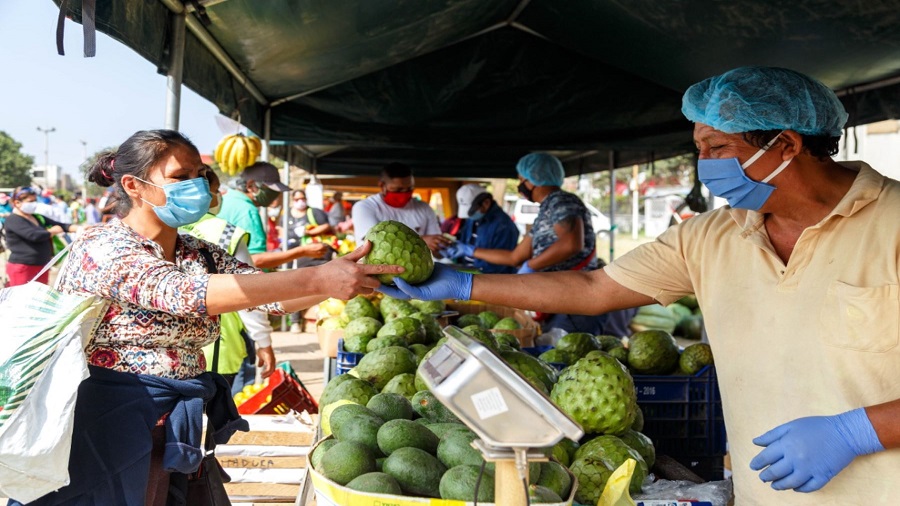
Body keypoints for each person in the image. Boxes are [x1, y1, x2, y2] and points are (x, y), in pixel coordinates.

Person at [382, 67, 900, 504]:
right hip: (766, 493)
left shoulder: (893, 224)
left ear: (786, 143)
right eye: (699, 148)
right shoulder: (709, 236)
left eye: (718, 146)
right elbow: (593, 290)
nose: (706, 165)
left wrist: (856, 432)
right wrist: (464, 285)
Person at [9, 129, 402, 506]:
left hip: (176, 418)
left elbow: (268, 297)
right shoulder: (103, 246)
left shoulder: (198, 251)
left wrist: (341, 283)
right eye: (180, 177)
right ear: (133, 186)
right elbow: (183, 294)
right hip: (110, 418)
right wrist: (317, 275)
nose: (196, 187)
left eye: (199, 176)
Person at [448, 154, 607, 333]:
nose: (519, 185)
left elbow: (571, 244)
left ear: (533, 180)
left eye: (521, 179)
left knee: (571, 351)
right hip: (558, 297)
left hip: (576, 300)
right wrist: (470, 250)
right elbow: (515, 257)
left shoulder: (562, 201)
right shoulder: (545, 210)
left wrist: (531, 265)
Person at [218, 162, 329, 390]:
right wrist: (302, 253)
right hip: (241, 311)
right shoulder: (247, 210)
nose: (276, 196)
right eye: (272, 189)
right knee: (238, 382)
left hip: (223, 309)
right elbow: (252, 265)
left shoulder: (226, 202)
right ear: (251, 186)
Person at [180, 170, 278, 386]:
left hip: (171, 350)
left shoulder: (163, 228)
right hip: (217, 348)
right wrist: (263, 341)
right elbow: (249, 293)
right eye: (216, 191)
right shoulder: (226, 233)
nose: (220, 196)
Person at [351, 162, 450, 254]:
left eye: (409, 189)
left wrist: (442, 246)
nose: (404, 193)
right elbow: (373, 242)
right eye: (398, 189)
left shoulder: (424, 208)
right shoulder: (365, 207)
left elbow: (434, 243)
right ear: (382, 186)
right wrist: (421, 241)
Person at [2, 186, 83, 286]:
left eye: (35, 200)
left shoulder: (37, 217)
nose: (34, 204)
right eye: (30, 201)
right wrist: (51, 232)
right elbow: (33, 235)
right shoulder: (13, 219)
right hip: (23, 267)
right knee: (23, 299)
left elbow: (60, 225)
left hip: (42, 266)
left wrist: (80, 228)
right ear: (17, 203)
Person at [286, 188, 336, 333]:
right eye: (297, 199)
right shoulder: (287, 214)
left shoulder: (314, 212)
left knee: (322, 284)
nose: (300, 201)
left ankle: (321, 319)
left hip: (317, 255)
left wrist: (309, 232)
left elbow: (327, 226)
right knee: (296, 287)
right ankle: (296, 321)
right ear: (292, 200)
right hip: (295, 257)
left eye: (302, 198)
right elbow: (280, 229)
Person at [441, 184, 519, 274]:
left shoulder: (504, 226)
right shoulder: (472, 219)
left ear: (486, 203)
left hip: (491, 278)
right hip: (467, 271)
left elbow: (504, 261)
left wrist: (470, 251)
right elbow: (464, 242)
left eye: (472, 211)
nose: (470, 216)